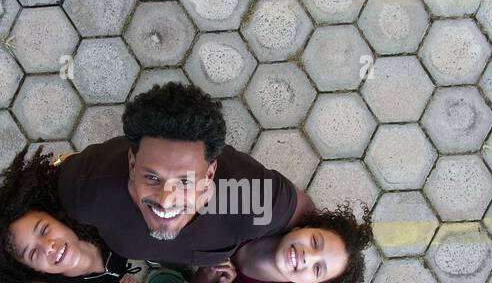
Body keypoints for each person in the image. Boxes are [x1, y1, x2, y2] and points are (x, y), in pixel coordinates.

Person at [56, 81, 312, 265]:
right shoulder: (88, 187)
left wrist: (255, 267)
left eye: (185, 181)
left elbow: (308, 219)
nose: (166, 200)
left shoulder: (249, 197)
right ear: (132, 164)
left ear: (210, 174)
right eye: (152, 177)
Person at [170, 205, 374, 283]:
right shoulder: (267, 215)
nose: (307, 256)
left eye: (317, 268)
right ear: (301, 227)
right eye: (314, 241)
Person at [0, 148, 139, 283]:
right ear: (32, 269)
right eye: (32, 253)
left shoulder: (96, 220)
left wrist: (61, 163)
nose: (48, 247)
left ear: (57, 217)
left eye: (45, 229)